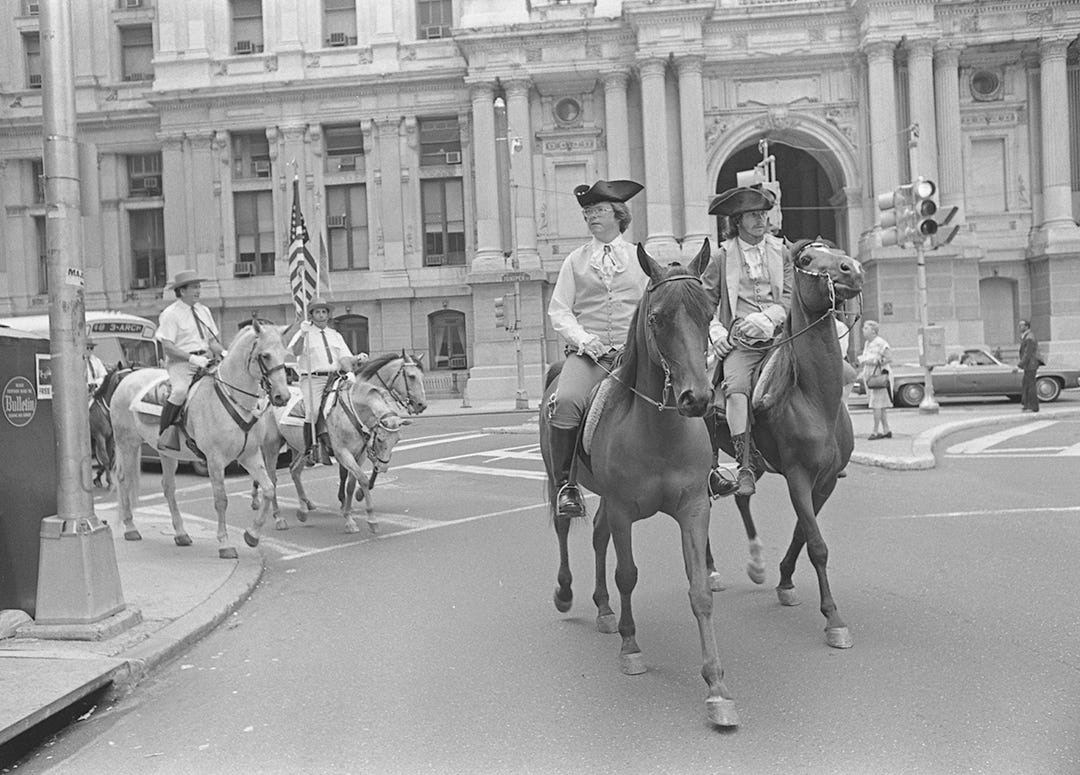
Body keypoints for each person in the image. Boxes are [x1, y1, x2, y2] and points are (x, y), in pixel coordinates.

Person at [546, 179, 648, 518]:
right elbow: (559, 310)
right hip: (591, 356)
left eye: (598, 210)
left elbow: (654, 307)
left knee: (684, 389)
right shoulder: (575, 261)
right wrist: (583, 339)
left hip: (634, 353)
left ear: (619, 215)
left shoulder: (639, 258)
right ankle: (566, 486)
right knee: (566, 401)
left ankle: (704, 471)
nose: (591, 216)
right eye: (587, 212)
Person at [701, 186, 793, 497]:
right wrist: (716, 333)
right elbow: (704, 303)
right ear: (737, 220)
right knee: (735, 393)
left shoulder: (782, 252)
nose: (761, 220)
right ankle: (745, 467)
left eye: (764, 215)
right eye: (753, 215)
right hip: (740, 343)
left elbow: (791, 298)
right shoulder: (721, 257)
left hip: (781, 336)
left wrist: (770, 318)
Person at [155, 269, 224, 450]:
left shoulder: (204, 311)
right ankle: (165, 434)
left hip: (206, 360)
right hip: (182, 364)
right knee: (179, 391)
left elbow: (212, 341)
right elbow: (168, 347)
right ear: (182, 291)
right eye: (194, 287)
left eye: (199, 287)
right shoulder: (171, 314)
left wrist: (224, 353)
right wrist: (192, 359)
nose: (198, 291)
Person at [288, 298, 354, 465]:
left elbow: (344, 357)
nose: (321, 315)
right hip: (313, 378)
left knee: (349, 404)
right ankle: (309, 450)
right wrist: (302, 334)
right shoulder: (304, 332)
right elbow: (294, 351)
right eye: (317, 312)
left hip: (334, 377)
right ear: (311, 315)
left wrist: (351, 371)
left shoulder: (335, 335)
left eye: (324, 311)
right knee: (314, 411)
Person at [857, 319, 892, 439]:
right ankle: (886, 429)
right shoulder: (867, 343)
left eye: (866, 328)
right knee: (880, 404)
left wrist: (874, 361)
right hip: (870, 376)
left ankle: (875, 431)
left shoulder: (881, 343)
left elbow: (888, 358)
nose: (863, 330)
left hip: (878, 376)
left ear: (873, 331)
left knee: (876, 404)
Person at [1018, 319, 1041, 413]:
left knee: (1030, 385)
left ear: (1027, 326)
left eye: (1021, 326)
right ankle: (1027, 405)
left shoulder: (1029, 338)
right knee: (1026, 384)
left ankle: (1034, 406)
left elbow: (1028, 353)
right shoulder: (1026, 336)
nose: (1020, 327)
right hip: (1029, 365)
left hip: (1030, 365)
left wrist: (1020, 364)